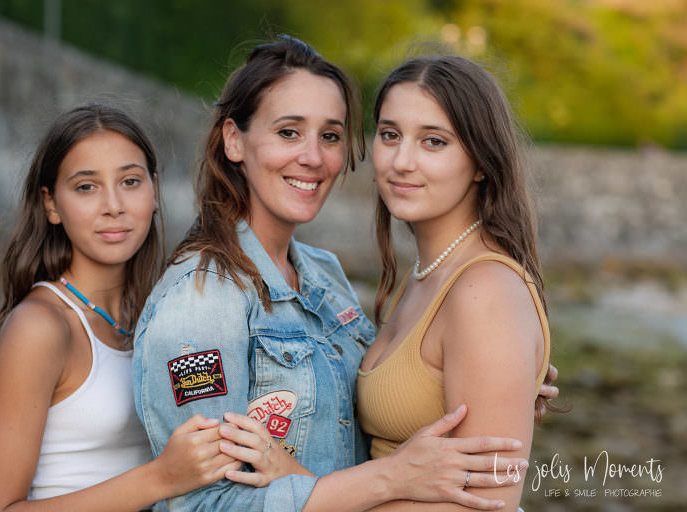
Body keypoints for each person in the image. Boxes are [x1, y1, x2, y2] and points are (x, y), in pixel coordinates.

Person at [133, 36, 539, 512]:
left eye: (329, 136)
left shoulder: (324, 275)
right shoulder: (201, 299)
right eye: (289, 132)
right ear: (233, 140)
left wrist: (505, 374)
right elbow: (202, 504)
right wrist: (384, 478)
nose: (312, 156)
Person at [0, 104, 240, 512]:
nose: (113, 205)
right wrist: (161, 478)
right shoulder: (39, 326)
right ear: (51, 205)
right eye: (86, 187)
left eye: (130, 181)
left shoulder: (161, 316)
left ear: (154, 190)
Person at [355, 55, 553, 511]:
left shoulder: (484, 292)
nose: (401, 161)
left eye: (434, 141)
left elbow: (490, 503)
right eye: (390, 135)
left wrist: (307, 492)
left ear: (481, 162)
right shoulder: (426, 274)